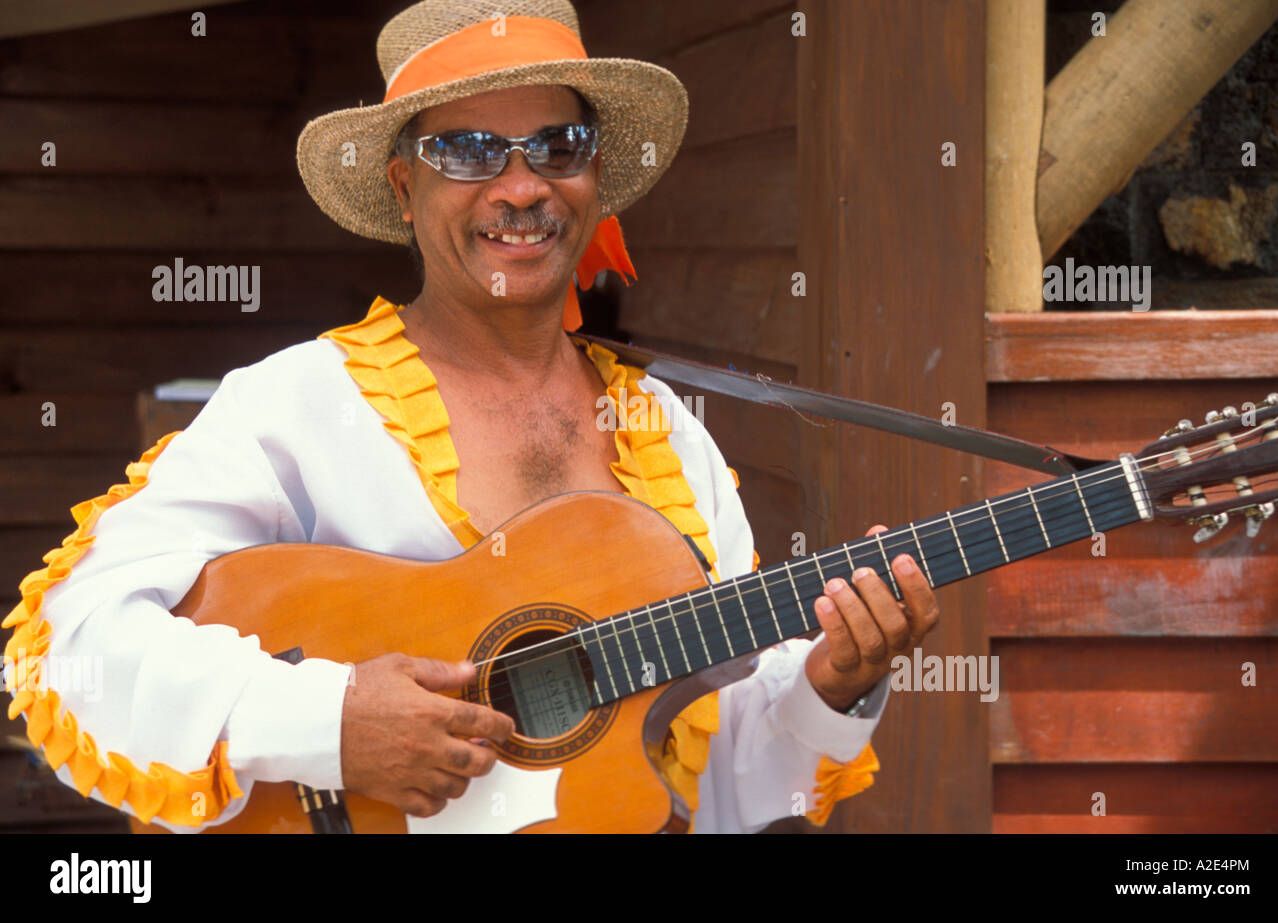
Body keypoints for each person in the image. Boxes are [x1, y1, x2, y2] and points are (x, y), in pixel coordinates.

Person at [3, 0, 939, 834]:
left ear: (594, 176)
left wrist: (831, 686)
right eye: (467, 150)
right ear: (402, 188)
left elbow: (714, 778)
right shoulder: (298, 404)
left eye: (558, 146)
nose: (522, 186)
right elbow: (72, 649)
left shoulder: (665, 435)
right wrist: (328, 722)